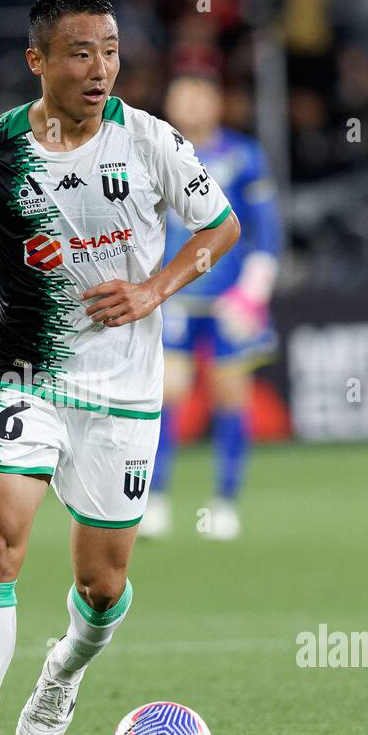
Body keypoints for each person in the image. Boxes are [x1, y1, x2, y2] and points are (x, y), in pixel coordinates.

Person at [0, 0, 240, 735]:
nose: (101, 69)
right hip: (23, 373)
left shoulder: (152, 141)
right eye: (82, 53)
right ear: (39, 61)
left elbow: (221, 226)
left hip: (123, 388)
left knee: (103, 585)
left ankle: (65, 664)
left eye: (112, 51)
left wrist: (154, 290)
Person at [140, 70, 282, 541]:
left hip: (230, 296)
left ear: (216, 103)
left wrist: (256, 287)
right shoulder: (154, 152)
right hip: (177, 293)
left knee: (230, 393)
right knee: (167, 393)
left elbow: (266, 225)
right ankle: (154, 498)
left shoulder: (243, 155)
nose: (191, 104)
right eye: (182, 95)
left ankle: (225, 501)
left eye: (199, 94)